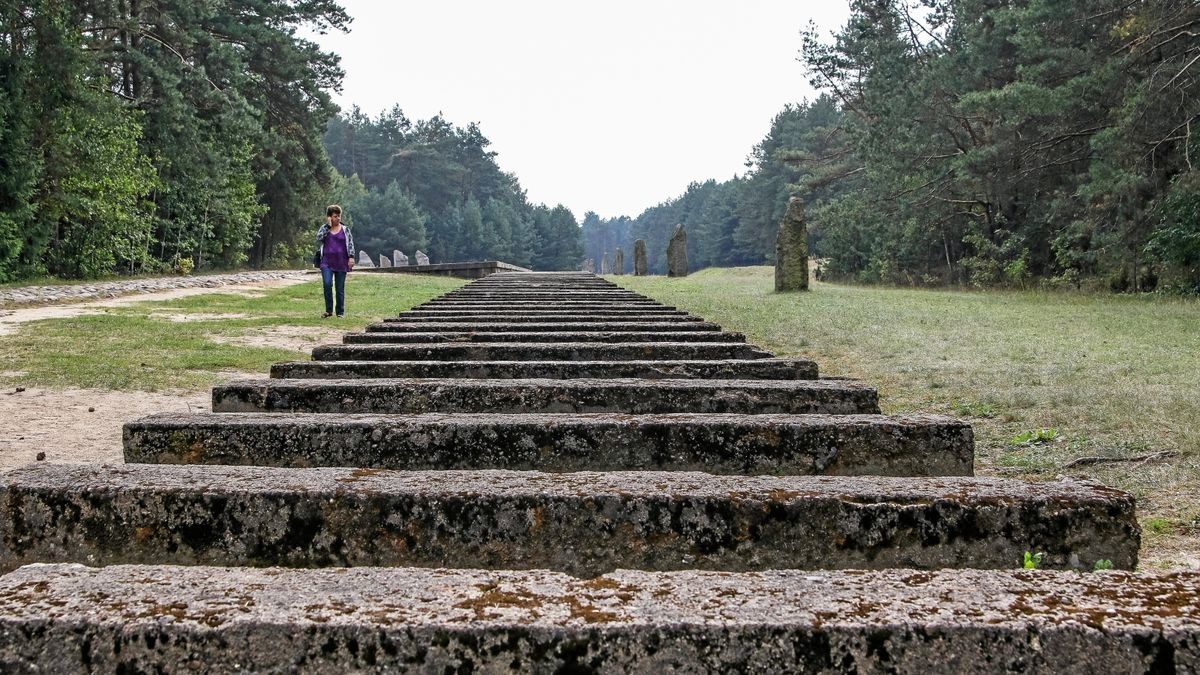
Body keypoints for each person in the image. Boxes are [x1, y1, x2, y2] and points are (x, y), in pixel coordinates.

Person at [315, 204, 355, 318]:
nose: (338, 218)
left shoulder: (345, 229)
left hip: (342, 262)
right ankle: (328, 310)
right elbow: (318, 238)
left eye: (339, 216)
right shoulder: (324, 229)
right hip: (326, 262)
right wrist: (328, 226)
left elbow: (350, 244)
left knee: (339, 288)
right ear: (329, 217)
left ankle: (340, 312)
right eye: (335, 216)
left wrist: (351, 257)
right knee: (327, 284)